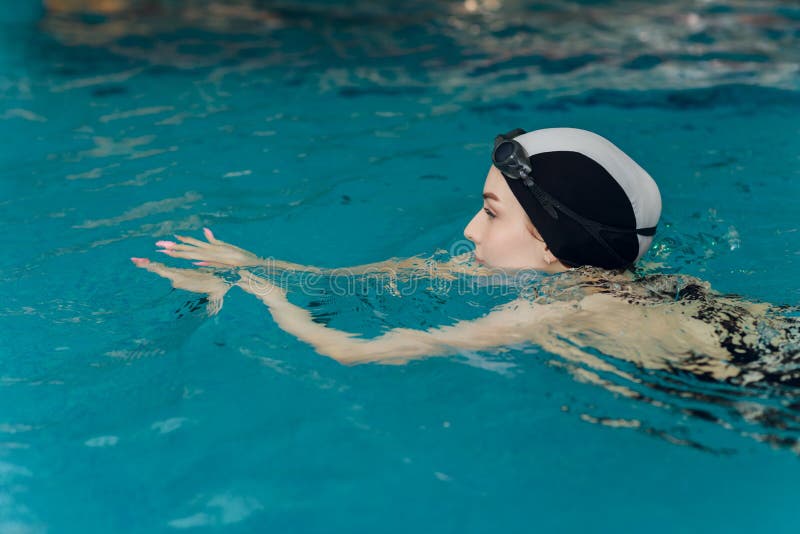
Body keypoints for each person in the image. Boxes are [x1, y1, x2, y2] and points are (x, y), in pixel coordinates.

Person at [131, 128, 799, 387]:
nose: (470, 230)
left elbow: (351, 352)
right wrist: (263, 263)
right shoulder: (592, 279)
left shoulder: (563, 309)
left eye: (492, 210)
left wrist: (253, 293)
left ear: (548, 239)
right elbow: (403, 276)